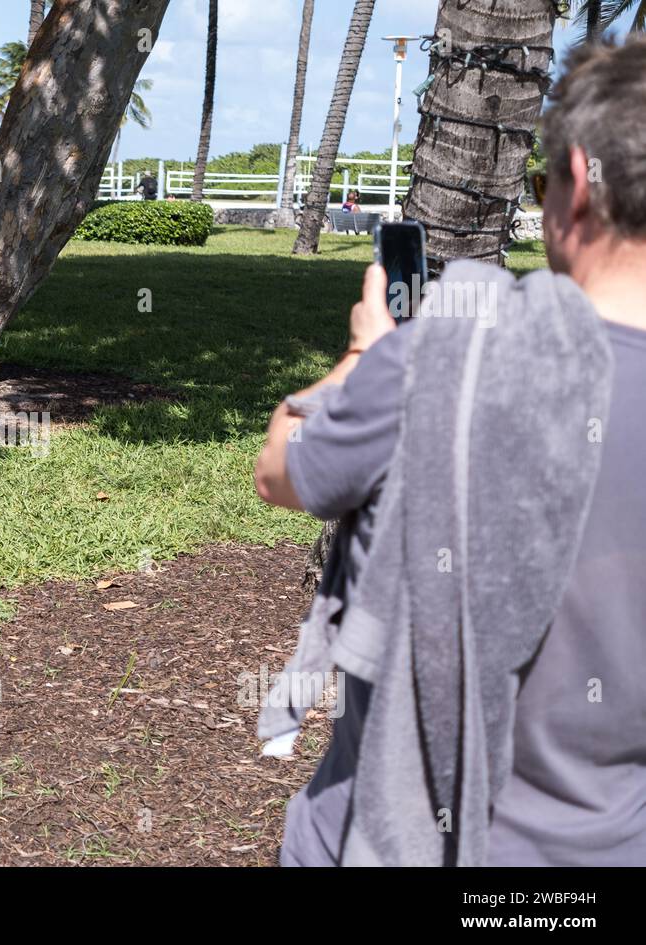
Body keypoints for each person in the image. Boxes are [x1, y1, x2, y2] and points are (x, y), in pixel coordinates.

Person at [253, 36, 646, 866]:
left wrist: (365, 352)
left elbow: (282, 471)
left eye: (541, 185)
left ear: (577, 184)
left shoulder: (439, 359)